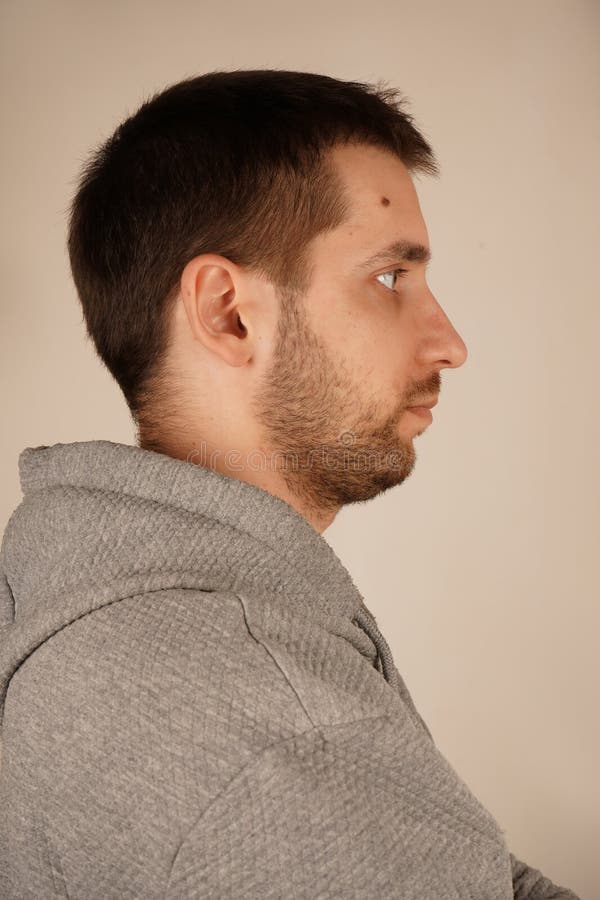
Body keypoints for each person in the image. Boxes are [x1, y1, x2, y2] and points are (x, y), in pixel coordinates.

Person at [0, 69, 580, 899]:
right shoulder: (277, 739)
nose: (449, 343)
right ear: (228, 312)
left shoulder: (69, 592)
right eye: (390, 277)